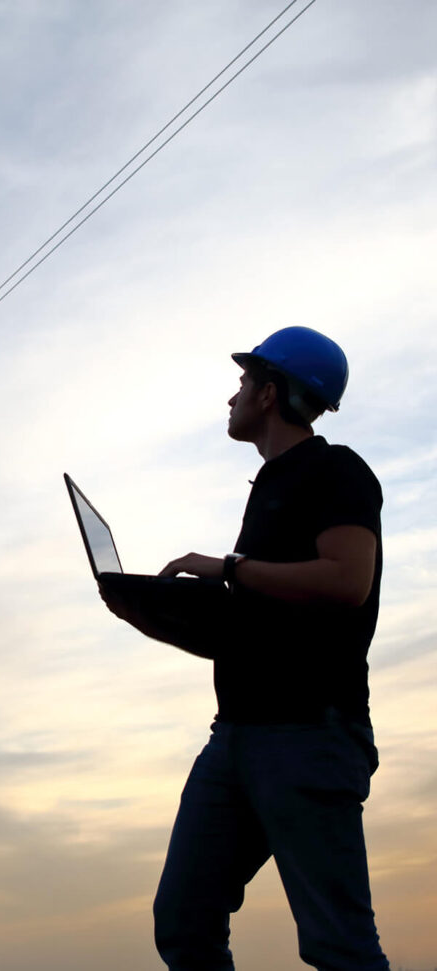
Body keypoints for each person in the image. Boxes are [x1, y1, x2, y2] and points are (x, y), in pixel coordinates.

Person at [99, 326, 388, 970]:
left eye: (241, 383)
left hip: (310, 734)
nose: (231, 397)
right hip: (235, 736)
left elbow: (346, 581)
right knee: (184, 924)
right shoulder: (270, 486)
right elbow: (261, 627)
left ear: (269, 393)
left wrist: (228, 568)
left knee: (338, 945)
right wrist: (154, 615)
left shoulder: (336, 470)